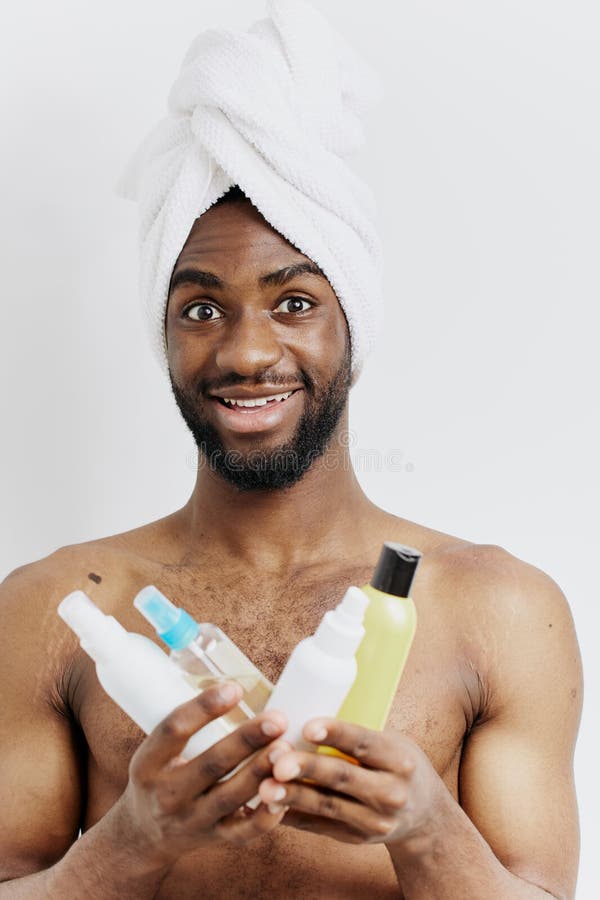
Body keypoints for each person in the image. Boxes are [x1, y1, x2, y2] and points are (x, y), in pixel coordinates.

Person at [0, 3, 582, 899]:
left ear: (355, 323)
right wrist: (130, 845)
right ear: (165, 336)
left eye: (296, 302)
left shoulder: (500, 609)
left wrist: (426, 830)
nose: (246, 352)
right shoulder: (54, 607)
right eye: (201, 308)